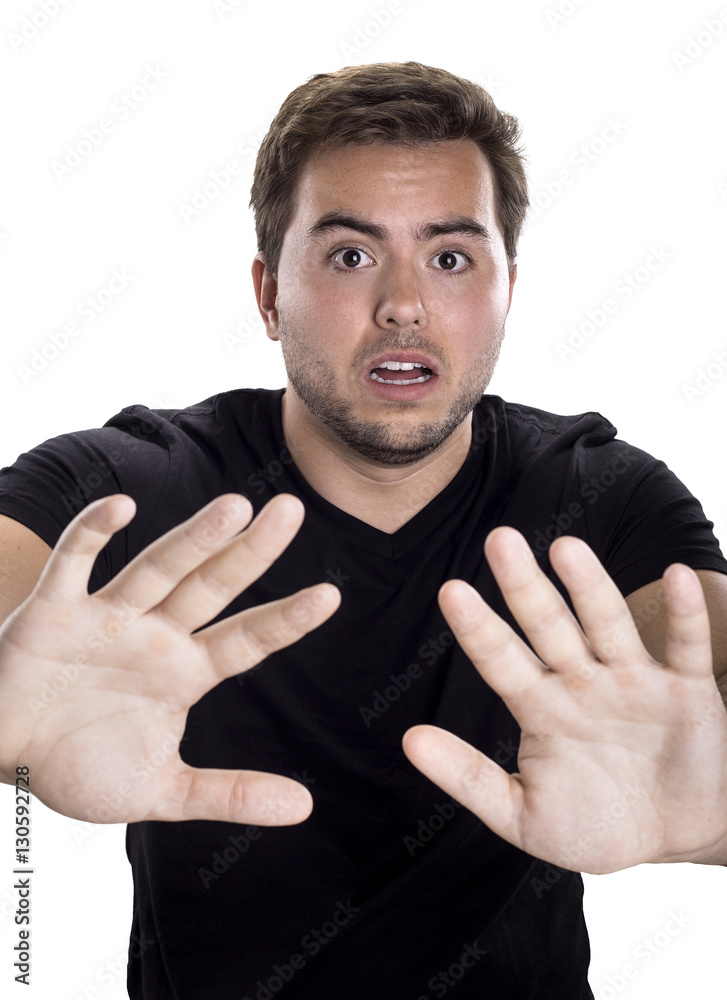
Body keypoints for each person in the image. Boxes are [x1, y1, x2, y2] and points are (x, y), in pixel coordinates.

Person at [1, 61, 726, 999]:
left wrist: (712, 826)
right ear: (269, 294)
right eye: (350, 255)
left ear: (507, 290)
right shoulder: (125, 485)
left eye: (450, 257)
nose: (403, 304)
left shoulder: (605, 497)